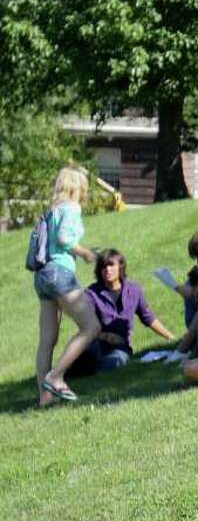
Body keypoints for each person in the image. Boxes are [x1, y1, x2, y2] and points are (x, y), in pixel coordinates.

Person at [32, 165, 101, 405]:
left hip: (42, 276)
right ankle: (56, 377)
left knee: (47, 340)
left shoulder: (52, 210)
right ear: (76, 187)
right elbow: (64, 239)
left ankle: (44, 398)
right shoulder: (72, 207)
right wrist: (85, 253)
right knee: (91, 326)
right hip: (60, 274)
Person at [71, 249, 175, 375]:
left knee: (116, 361)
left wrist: (170, 338)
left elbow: (148, 317)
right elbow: (85, 327)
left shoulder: (134, 290)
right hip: (97, 342)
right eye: (103, 267)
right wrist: (106, 336)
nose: (107, 270)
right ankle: (68, 371)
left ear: (121, 267)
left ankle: (86, 372)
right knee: (88, 352)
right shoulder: (91, 294)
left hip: (120, 347)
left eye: (111, 265)